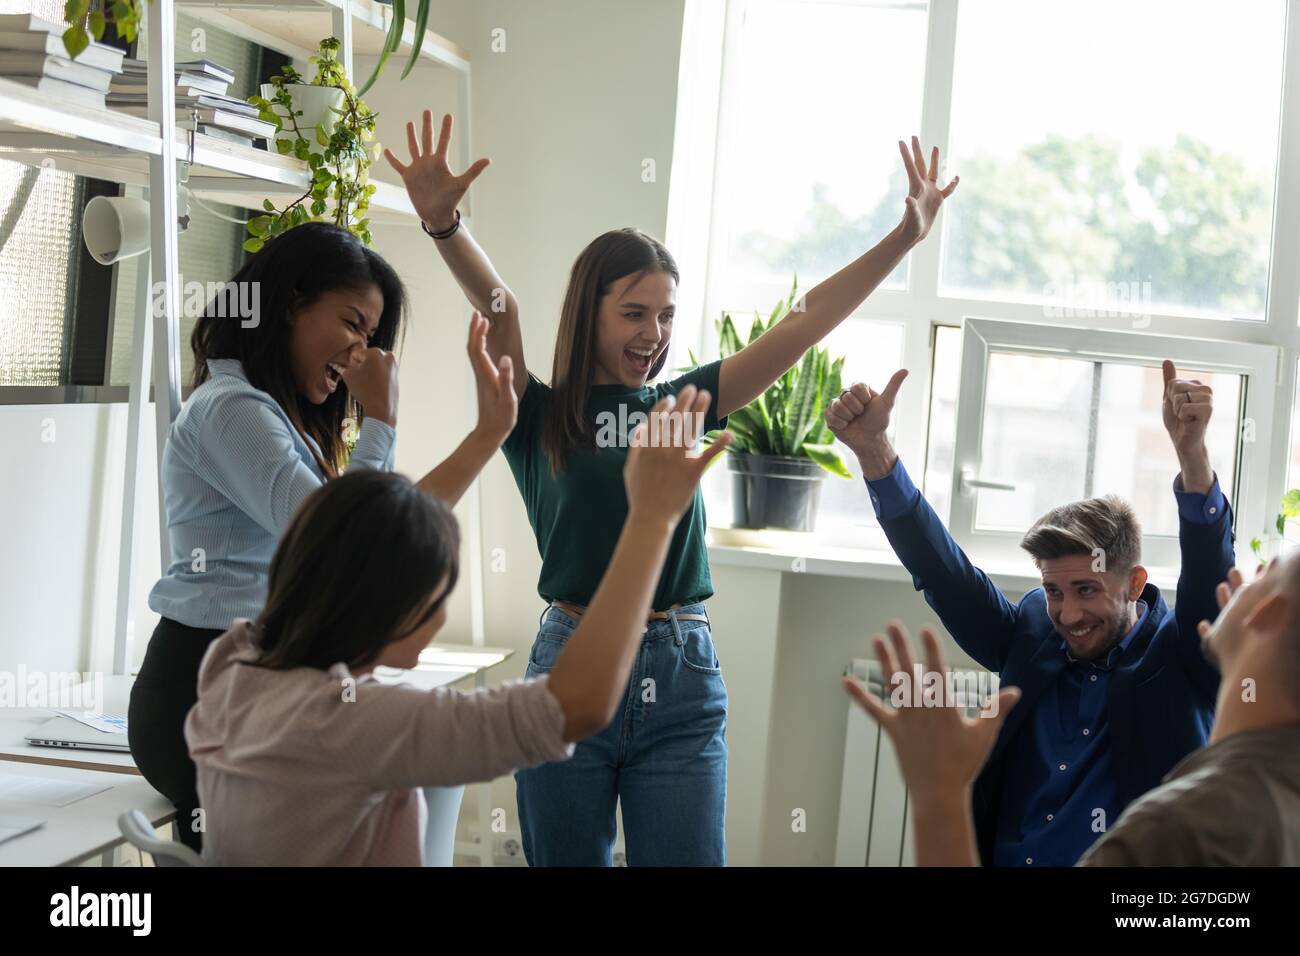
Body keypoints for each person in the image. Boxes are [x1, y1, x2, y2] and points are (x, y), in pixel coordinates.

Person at [383, 110, 959, 865]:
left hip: (682, 672)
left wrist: (905, 238)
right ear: (587, 312)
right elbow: (502, 309)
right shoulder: (537, 415)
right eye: (633, 313)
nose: (653, 333)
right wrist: (444, 224)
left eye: (665, 316)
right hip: (569, 659)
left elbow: (802, 324)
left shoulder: (684, 403)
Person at [186, 390, 732, 865]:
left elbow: (360, 544)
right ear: (391, 603)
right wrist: (652, 518)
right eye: (440, 591)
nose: (443, 613)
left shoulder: (234, 663)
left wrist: (489, 433)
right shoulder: (360, 722)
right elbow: (576, 707)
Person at [128, 221, 516, 851]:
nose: (362, 351)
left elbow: (381, 530)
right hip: (201, 682)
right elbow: (343, 539)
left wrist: (487, 436)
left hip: (255, 683)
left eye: (371, 335)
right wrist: (382, 420)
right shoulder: (233, 408)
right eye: (352, 323)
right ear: (289, 306)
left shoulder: (280, 420)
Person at [824, 359, 1234, 865]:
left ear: (1134, 582)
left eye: (1086, 589)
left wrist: (1191, 456)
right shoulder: (1034, 627)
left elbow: (1209, 571)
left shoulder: (1182, 652)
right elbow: (946, 575)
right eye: (1054, 591)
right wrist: (874, 452)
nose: (1068, 614)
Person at [845, 547, 1300, 866]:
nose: (1239, 576)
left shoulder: (1168, 832)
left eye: (1265, 569)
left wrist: (938, 797)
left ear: (1267, 616)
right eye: (1055, 592)